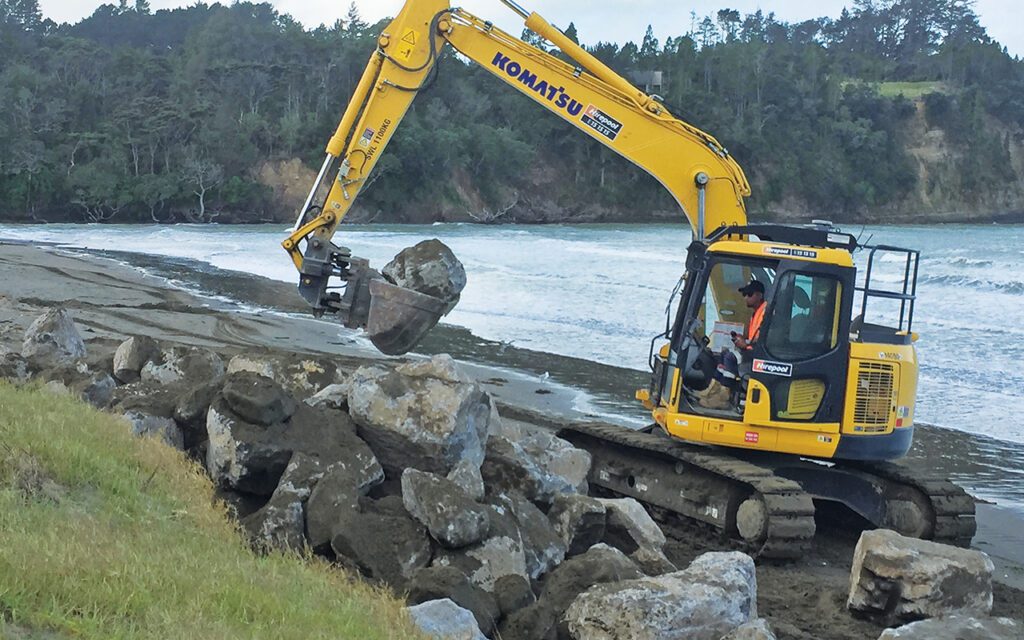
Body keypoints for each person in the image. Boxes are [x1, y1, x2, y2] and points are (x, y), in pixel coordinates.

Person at [732, 279, 766, 352]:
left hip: (758, 355)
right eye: (744, 294)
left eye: (749, 293)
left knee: (729, 357)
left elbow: (762, 341)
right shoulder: (756, 313)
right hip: (751, 352)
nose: (746, 297)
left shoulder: (766, 312)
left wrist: (745, 345)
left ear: (760, 295)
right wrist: (743, 340)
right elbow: (753, 339)